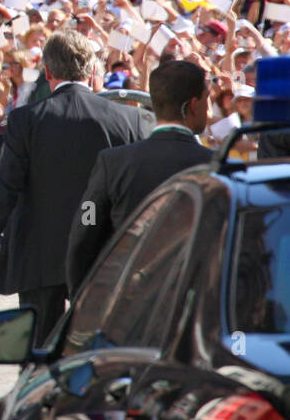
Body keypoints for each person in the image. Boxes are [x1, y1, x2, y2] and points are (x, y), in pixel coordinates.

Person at [0, 30, 152, 345]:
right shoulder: (130, 119)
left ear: (47, 72)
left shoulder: (26, 120)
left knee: (39, 358)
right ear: (93, 72)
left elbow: (4, 192)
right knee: (96, 356)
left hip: (40, 260)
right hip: (104, 258)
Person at [65, 60, 211, 295]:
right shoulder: (215, 166)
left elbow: (87, 223)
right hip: (194, 302)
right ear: (193, 105)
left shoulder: (113, 163)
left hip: (126, 302)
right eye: (207, 99)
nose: (209, 109)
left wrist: (80, 296)